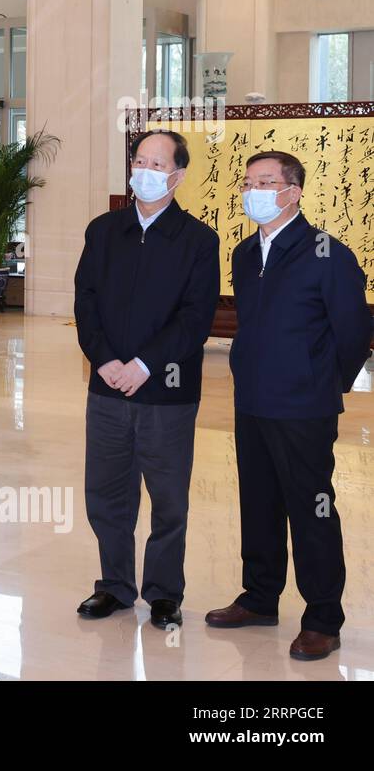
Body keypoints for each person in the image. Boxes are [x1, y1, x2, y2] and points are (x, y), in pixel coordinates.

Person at [205, 151, 371, 661]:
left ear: (293, 192)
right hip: (252, 402)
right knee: (258, 502)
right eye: (249, 181)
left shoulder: (327, 253)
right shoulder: (243, 253)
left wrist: (324, 386)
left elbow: (355, 334)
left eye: (268, 181)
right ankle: (260, 598)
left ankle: (323, 617)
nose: (255, 189)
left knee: (312, 509)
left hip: (303, 408)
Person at [72, 128, 219, 629]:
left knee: (168, 497)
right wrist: (107, 360)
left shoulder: (198, 240)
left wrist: (144, 365)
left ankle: (163, 592)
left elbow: (195, 318)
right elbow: (85, 301)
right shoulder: (103, 230)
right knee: (107, 493)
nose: (145, 171)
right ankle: (114, 586)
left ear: (177, 176)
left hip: (167, 391)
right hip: (106, 386)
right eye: (140, 161)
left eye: (157, 165)